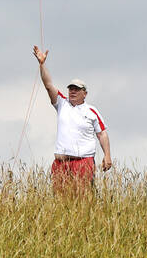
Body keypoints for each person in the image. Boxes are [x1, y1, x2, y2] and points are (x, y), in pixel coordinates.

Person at [32, 46, 112, 193]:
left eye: (77, 89)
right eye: (71, 89)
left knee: (83, 200)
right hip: (60, 163)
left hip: (82, 163)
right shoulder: (62, 104)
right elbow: (48, 86)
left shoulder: (92, 111)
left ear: (85, 93)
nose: (73, 92)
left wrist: (107, 155)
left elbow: (102, 134)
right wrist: (42, 64)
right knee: (60, 202)